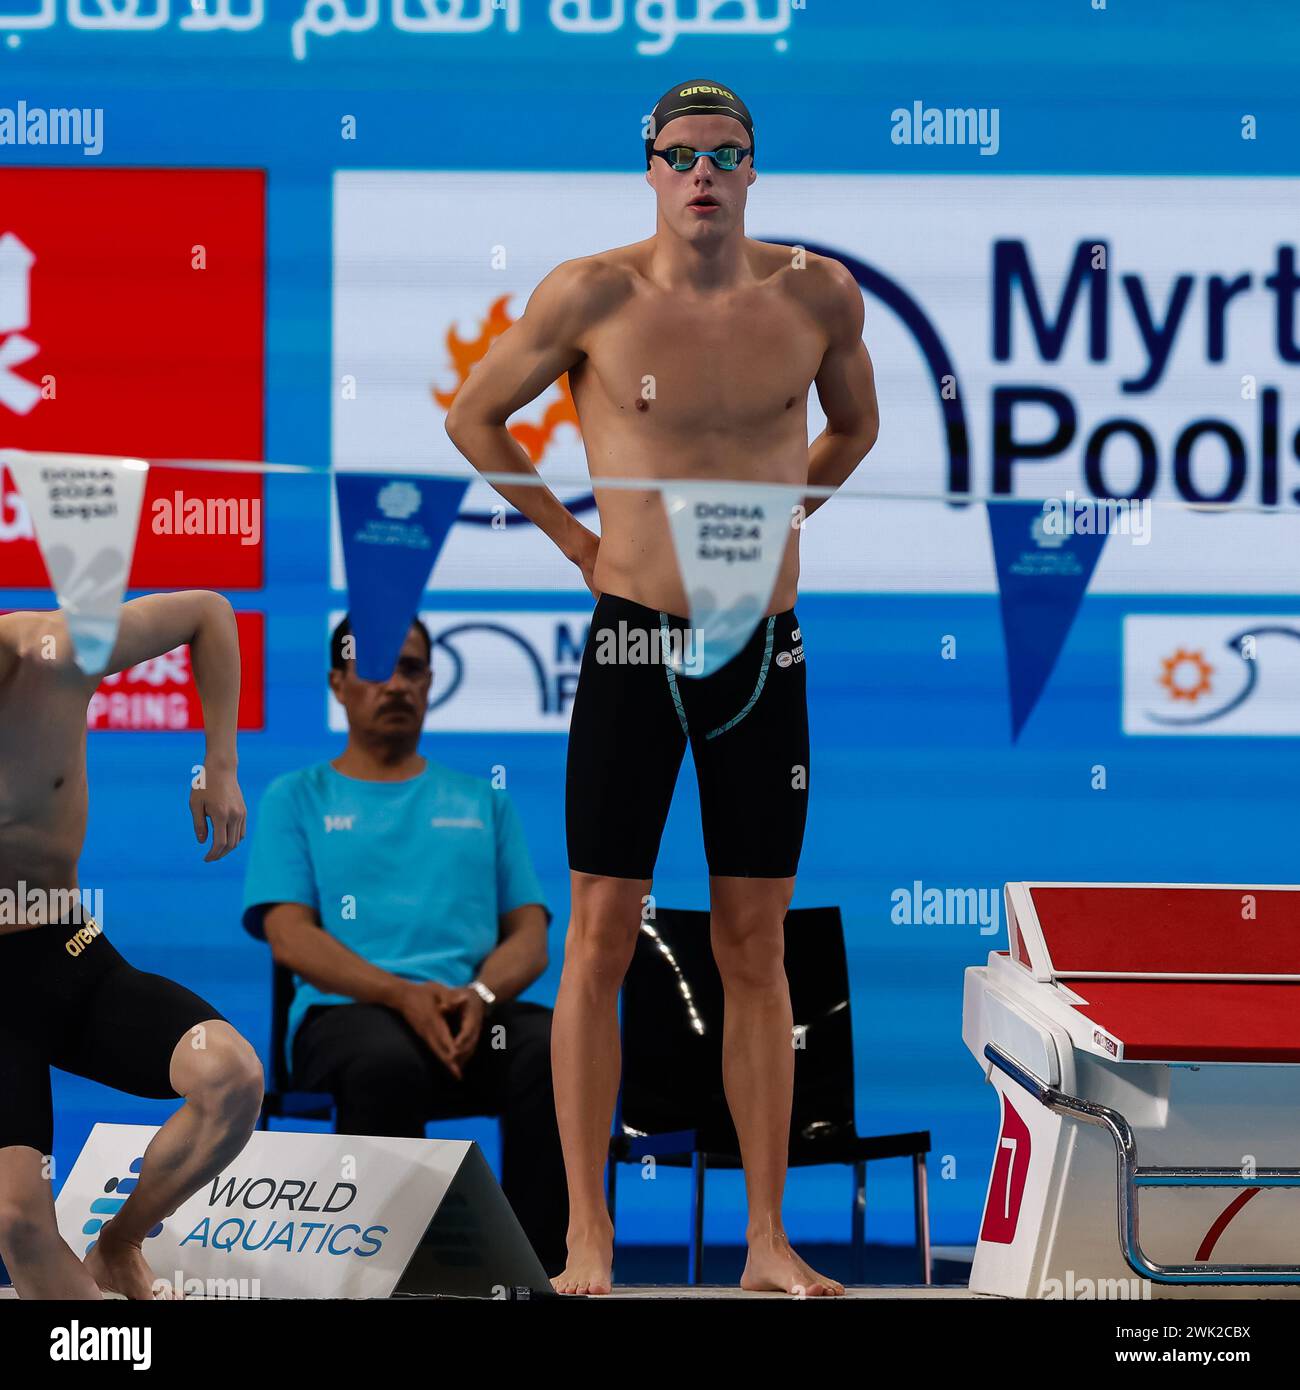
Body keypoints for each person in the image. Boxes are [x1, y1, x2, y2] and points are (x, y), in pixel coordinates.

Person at [445, 79, 880, 1294]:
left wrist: (789, 514)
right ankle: (588, 1232)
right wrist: (577, 545)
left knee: (755, 942)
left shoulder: (815, 296)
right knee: (596, 932)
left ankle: (764, 1241)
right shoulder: (592, 294)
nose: (703, 174)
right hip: (636, 640)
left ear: (753, 172)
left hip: (761, 652)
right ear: (648, 168)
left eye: (724, 155)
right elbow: (478, 419)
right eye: (681, 154)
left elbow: (855, 426)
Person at [241, 616, 566, 1274]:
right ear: (338, 683)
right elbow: (288, 935)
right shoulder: (295, 797)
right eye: (374, 669)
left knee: (553, 1047)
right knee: (386, 1063)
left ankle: (537, 1272)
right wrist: (399, 993)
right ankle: (394, 1276)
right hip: (346, 1022)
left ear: (432, 682)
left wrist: (478, 993)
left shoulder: (483, 801)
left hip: (470, 1019)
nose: (395, 684)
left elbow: (531, 936)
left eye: (412, 668)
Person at [0, 592, 263, 1300]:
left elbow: (208, 612)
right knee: (18, 1222)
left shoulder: (62, 650)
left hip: (65, 951)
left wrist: (221, 763)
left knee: (231, 1078)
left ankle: (119, 1244)